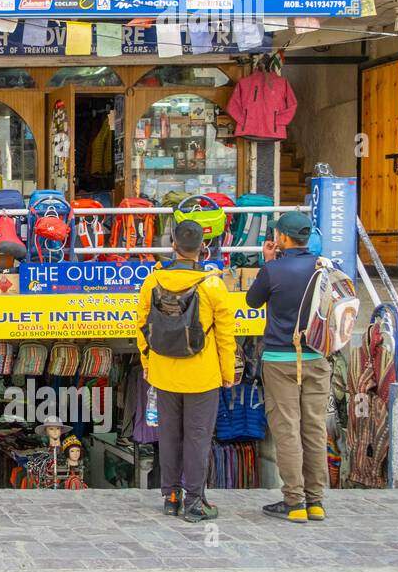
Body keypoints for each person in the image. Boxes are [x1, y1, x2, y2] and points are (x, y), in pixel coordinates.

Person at [135, 220, 236, 522]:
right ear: (201, 249)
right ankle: (194, 502)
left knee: (168, 435)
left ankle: (171, 496)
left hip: (164, 372)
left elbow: (141, 327)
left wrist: (147, 364)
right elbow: (225, 335)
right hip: (202, 375)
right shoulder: (212, 285)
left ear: (174, 246)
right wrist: (228, 372)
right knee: (198, 437)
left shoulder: (153, 282)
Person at [245, 211, 328, 523]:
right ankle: (316, 502)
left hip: (281, 359)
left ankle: (294, 502)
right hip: (317, 358)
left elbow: (253, 301)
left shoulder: (274, 270)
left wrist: (267, 263)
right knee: (314, 428)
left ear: (281, 238)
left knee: (287, 429)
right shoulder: (323, 268)